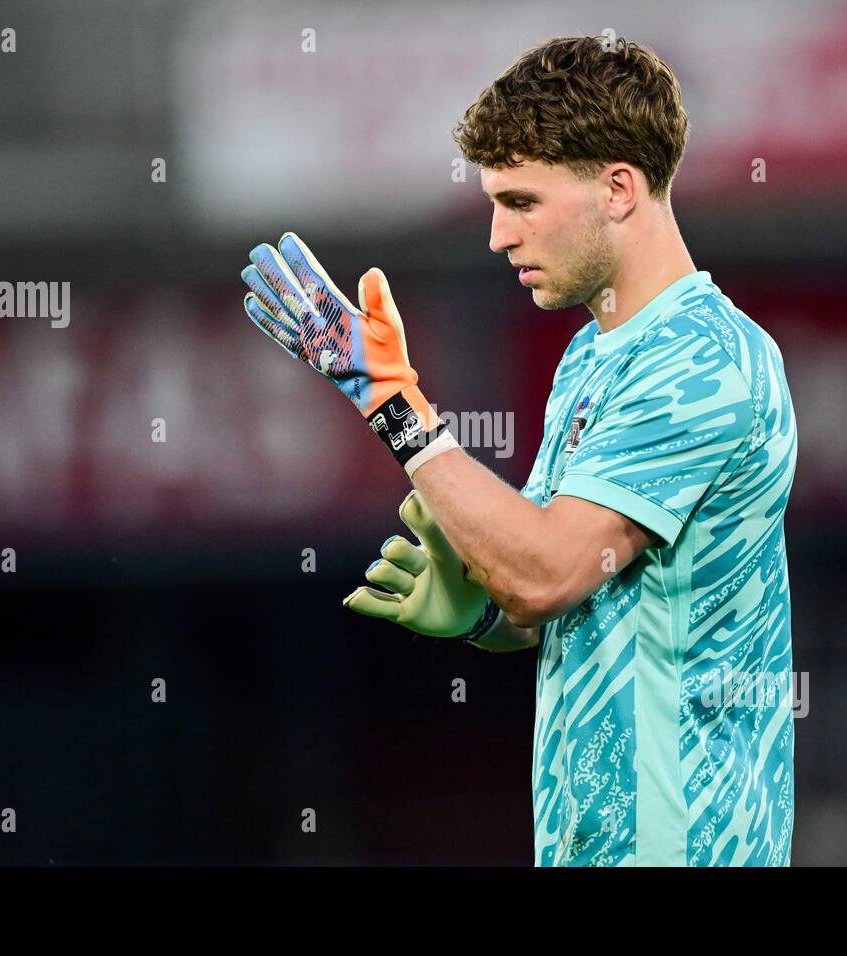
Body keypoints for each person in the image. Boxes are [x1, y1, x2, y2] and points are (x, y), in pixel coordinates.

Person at [243, 34, 797, 867]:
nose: (498, 235)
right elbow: (546, 591)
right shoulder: (595, 353)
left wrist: (391, 401)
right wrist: (480, 613)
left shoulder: (701, 360)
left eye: (522, 201)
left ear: (619, 188)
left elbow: (546, 573)